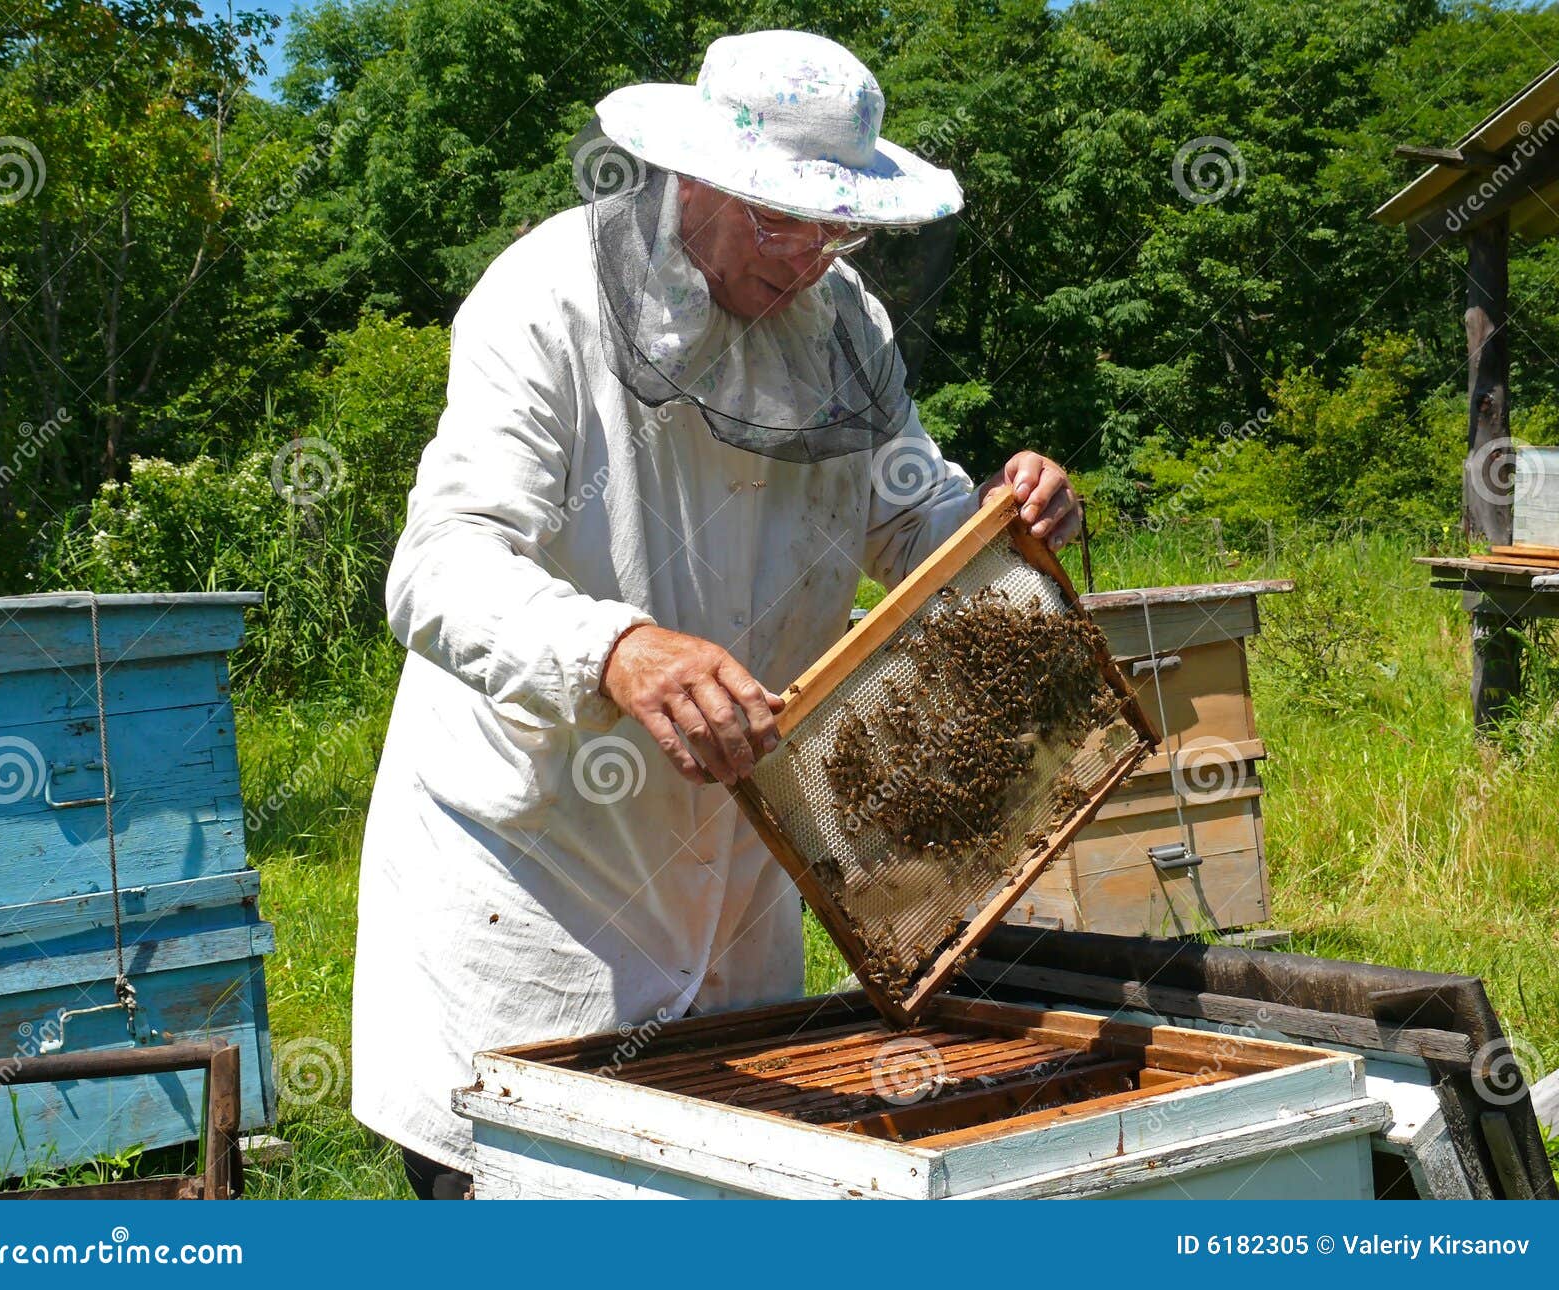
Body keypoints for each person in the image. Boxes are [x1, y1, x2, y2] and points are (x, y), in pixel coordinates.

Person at [351, 28, 1082, 1199]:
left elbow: (916, 524)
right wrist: (615, 648)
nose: (804, 257)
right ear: (693, 177)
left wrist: (1006, 519)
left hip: (741, 878)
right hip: (539, 885)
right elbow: (440, 564)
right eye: (776, 220)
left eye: (832, 227)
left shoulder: (845, 323)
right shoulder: (542, 299)